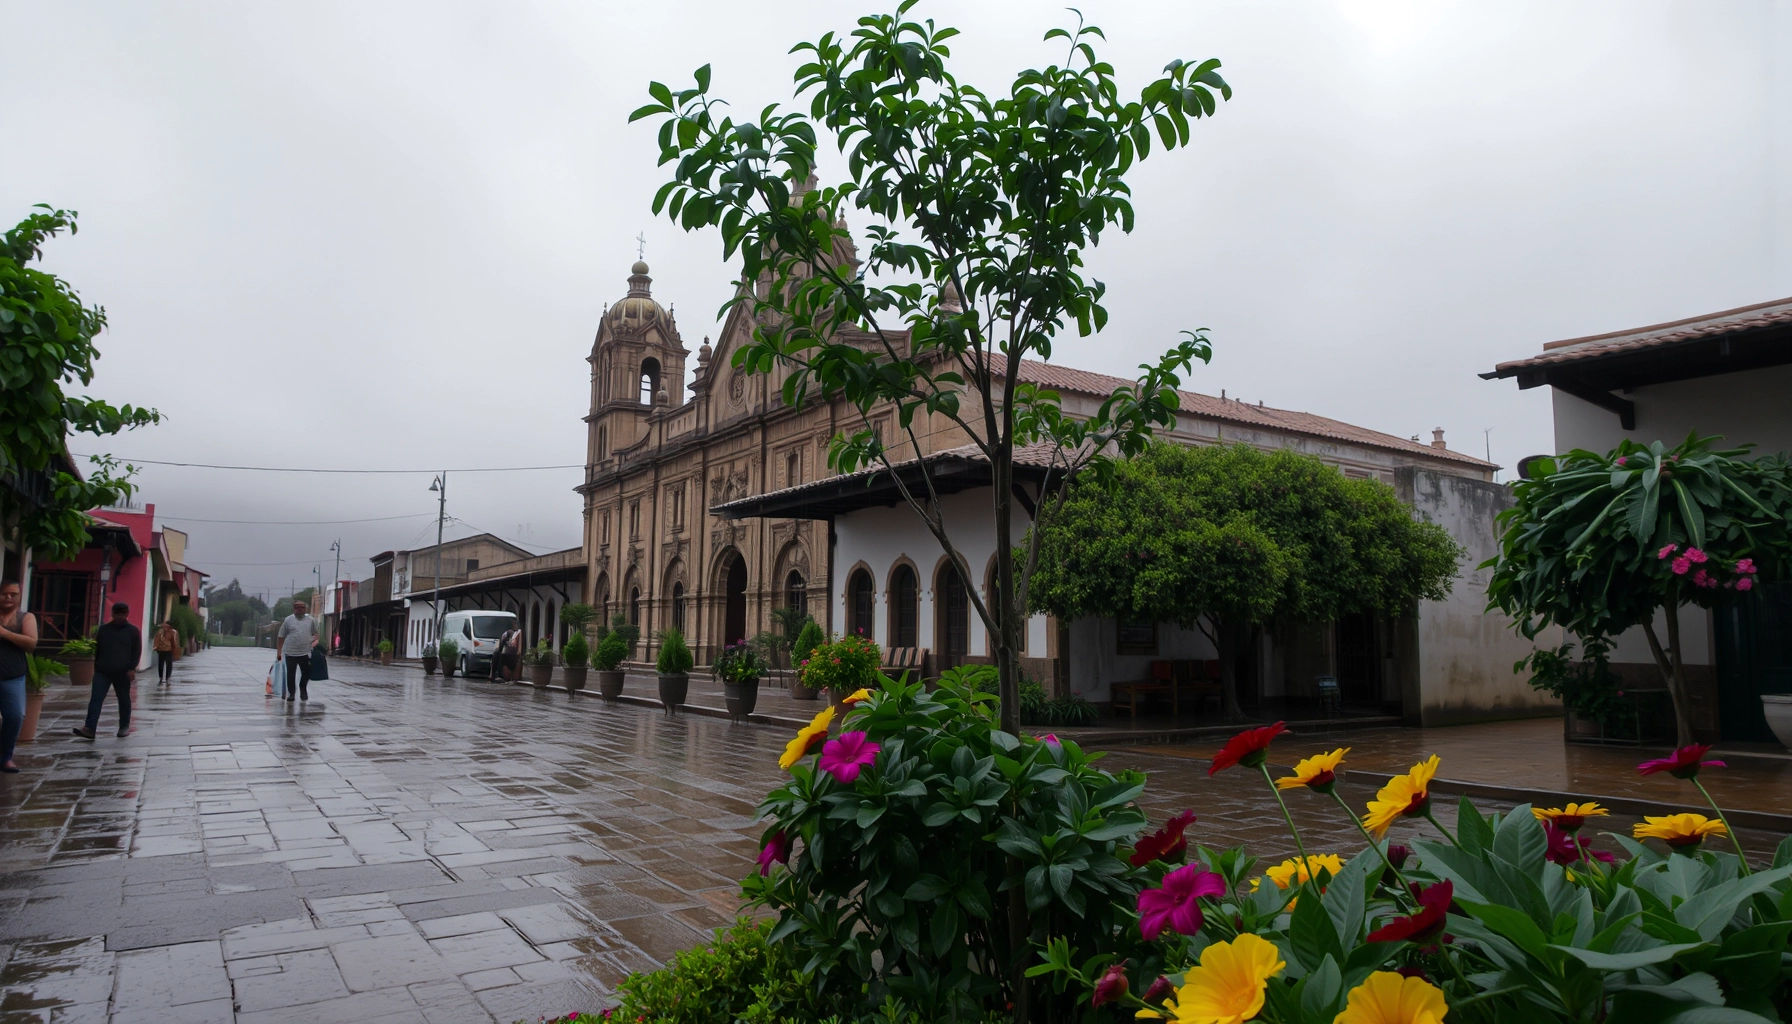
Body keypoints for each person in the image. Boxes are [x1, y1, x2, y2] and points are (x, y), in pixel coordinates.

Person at [73, 602, 139, 740]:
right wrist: (97, 666)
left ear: (127, 614)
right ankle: (90, 728)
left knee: (123, 699)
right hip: (103, 671)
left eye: (122, 613)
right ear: (112, 613)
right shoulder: (103, 630)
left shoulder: (133, 631)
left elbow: (136, 651)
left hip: (123, 671)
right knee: (96, 698)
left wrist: (132, 668)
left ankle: (124, 726)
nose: (120, 616)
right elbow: (98, 650)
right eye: (117, 613)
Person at [0, 579, 39, 773]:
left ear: (19, 596)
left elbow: (31, 643)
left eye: (13, 594)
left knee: (15, 716)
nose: (8, 597)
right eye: (4, 594)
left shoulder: (26, 618)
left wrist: (4, 633)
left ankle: (5, 757)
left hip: (12, 676)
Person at [274, 598, 319, 704]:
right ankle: (291, 693)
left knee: (306, 672)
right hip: (290, 652)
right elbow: (281, 636)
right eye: (297, 607)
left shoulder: (311, 620)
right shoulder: (288, 620)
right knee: (291, 674)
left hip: (305, 652)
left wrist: (314, 642)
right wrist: (279, 652)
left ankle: (303, 688)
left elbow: (316, 634)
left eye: (302, 607)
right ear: (293, 609)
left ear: (305, 609)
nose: (299, 609)